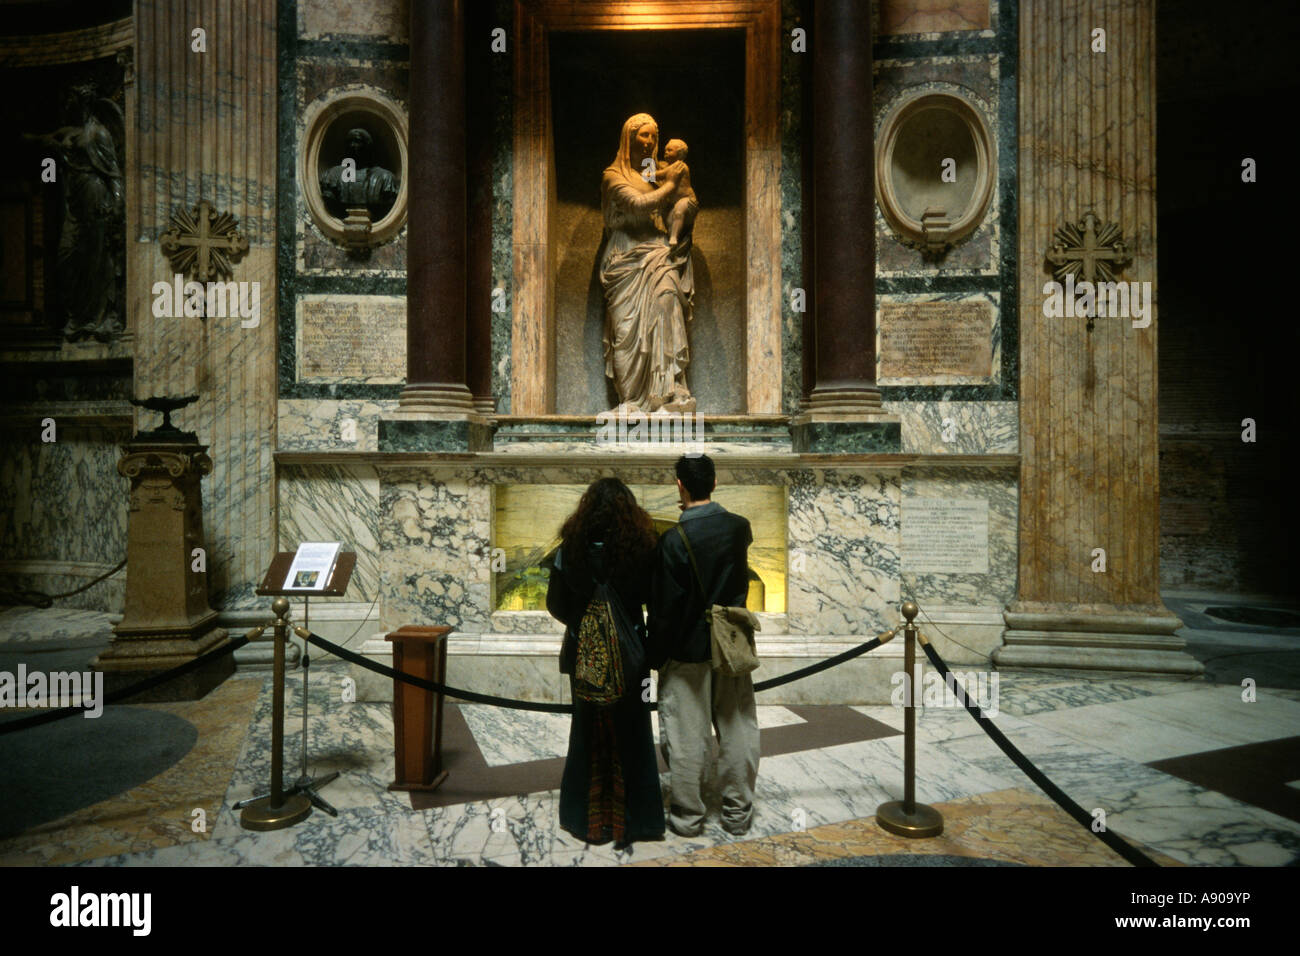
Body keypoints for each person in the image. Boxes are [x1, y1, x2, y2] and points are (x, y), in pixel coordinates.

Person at [546, 477, 665, 847]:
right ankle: (638, 820)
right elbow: (654, 597)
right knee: (635, 732)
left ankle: (584, 818)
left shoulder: (571, 548)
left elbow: (556, 604)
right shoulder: (643, 546)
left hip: (585, 654)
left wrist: (590, 625)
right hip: (632, 656)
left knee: (586, 733)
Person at [649, 453, 759, 837]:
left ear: (679, 485)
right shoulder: (739, 528)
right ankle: (737, 813)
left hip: (687, 648)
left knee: (686, 736)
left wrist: (655, 654)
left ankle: (688, 816)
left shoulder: (672, 541)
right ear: (714, 483)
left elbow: (665, 609)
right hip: (731, 643)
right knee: (738, 728)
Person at [599, 113, 697, 415]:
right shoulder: (613, 176)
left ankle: (669, 392)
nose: (651, 142)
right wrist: (673, 184)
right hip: (625, 257)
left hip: (657, 251)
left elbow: (679, 204)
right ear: (629, 139)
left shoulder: (654, 172)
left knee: (668, 306)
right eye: (644, 135)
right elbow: (639, 204)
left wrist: (685, 203)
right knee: (626, 329)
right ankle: (631, 400)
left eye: (654, 136)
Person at [657, 138, 699, 248]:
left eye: (670, 150)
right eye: (665, 150)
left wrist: (647, 175)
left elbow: (661, 174)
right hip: (673, 203)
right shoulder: (666, 165)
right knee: (671, 220)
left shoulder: (680, 166)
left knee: (679, 211)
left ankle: (674, 237)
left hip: (688, 200)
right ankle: (674, 237)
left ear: (680, 154)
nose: (666, 152)